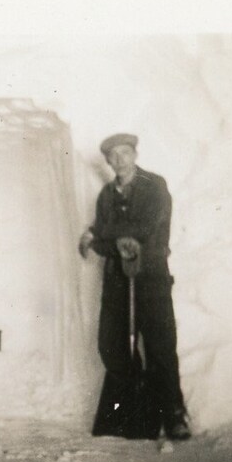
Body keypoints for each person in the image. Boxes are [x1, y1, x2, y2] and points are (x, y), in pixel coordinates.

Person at [79, 133, 191, 440]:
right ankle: (132, 416)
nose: (120, 160)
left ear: (135, 154)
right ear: (108, 160)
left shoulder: (155, 186)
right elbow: (110, 240)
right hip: (117, 280)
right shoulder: (106, 195)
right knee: (113, 345)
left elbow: (145, 228)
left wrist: (99, 237)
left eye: (125, 153)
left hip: (151, 277)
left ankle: (174, 416)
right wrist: (107, 240)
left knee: (160, 347)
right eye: (113, 155)